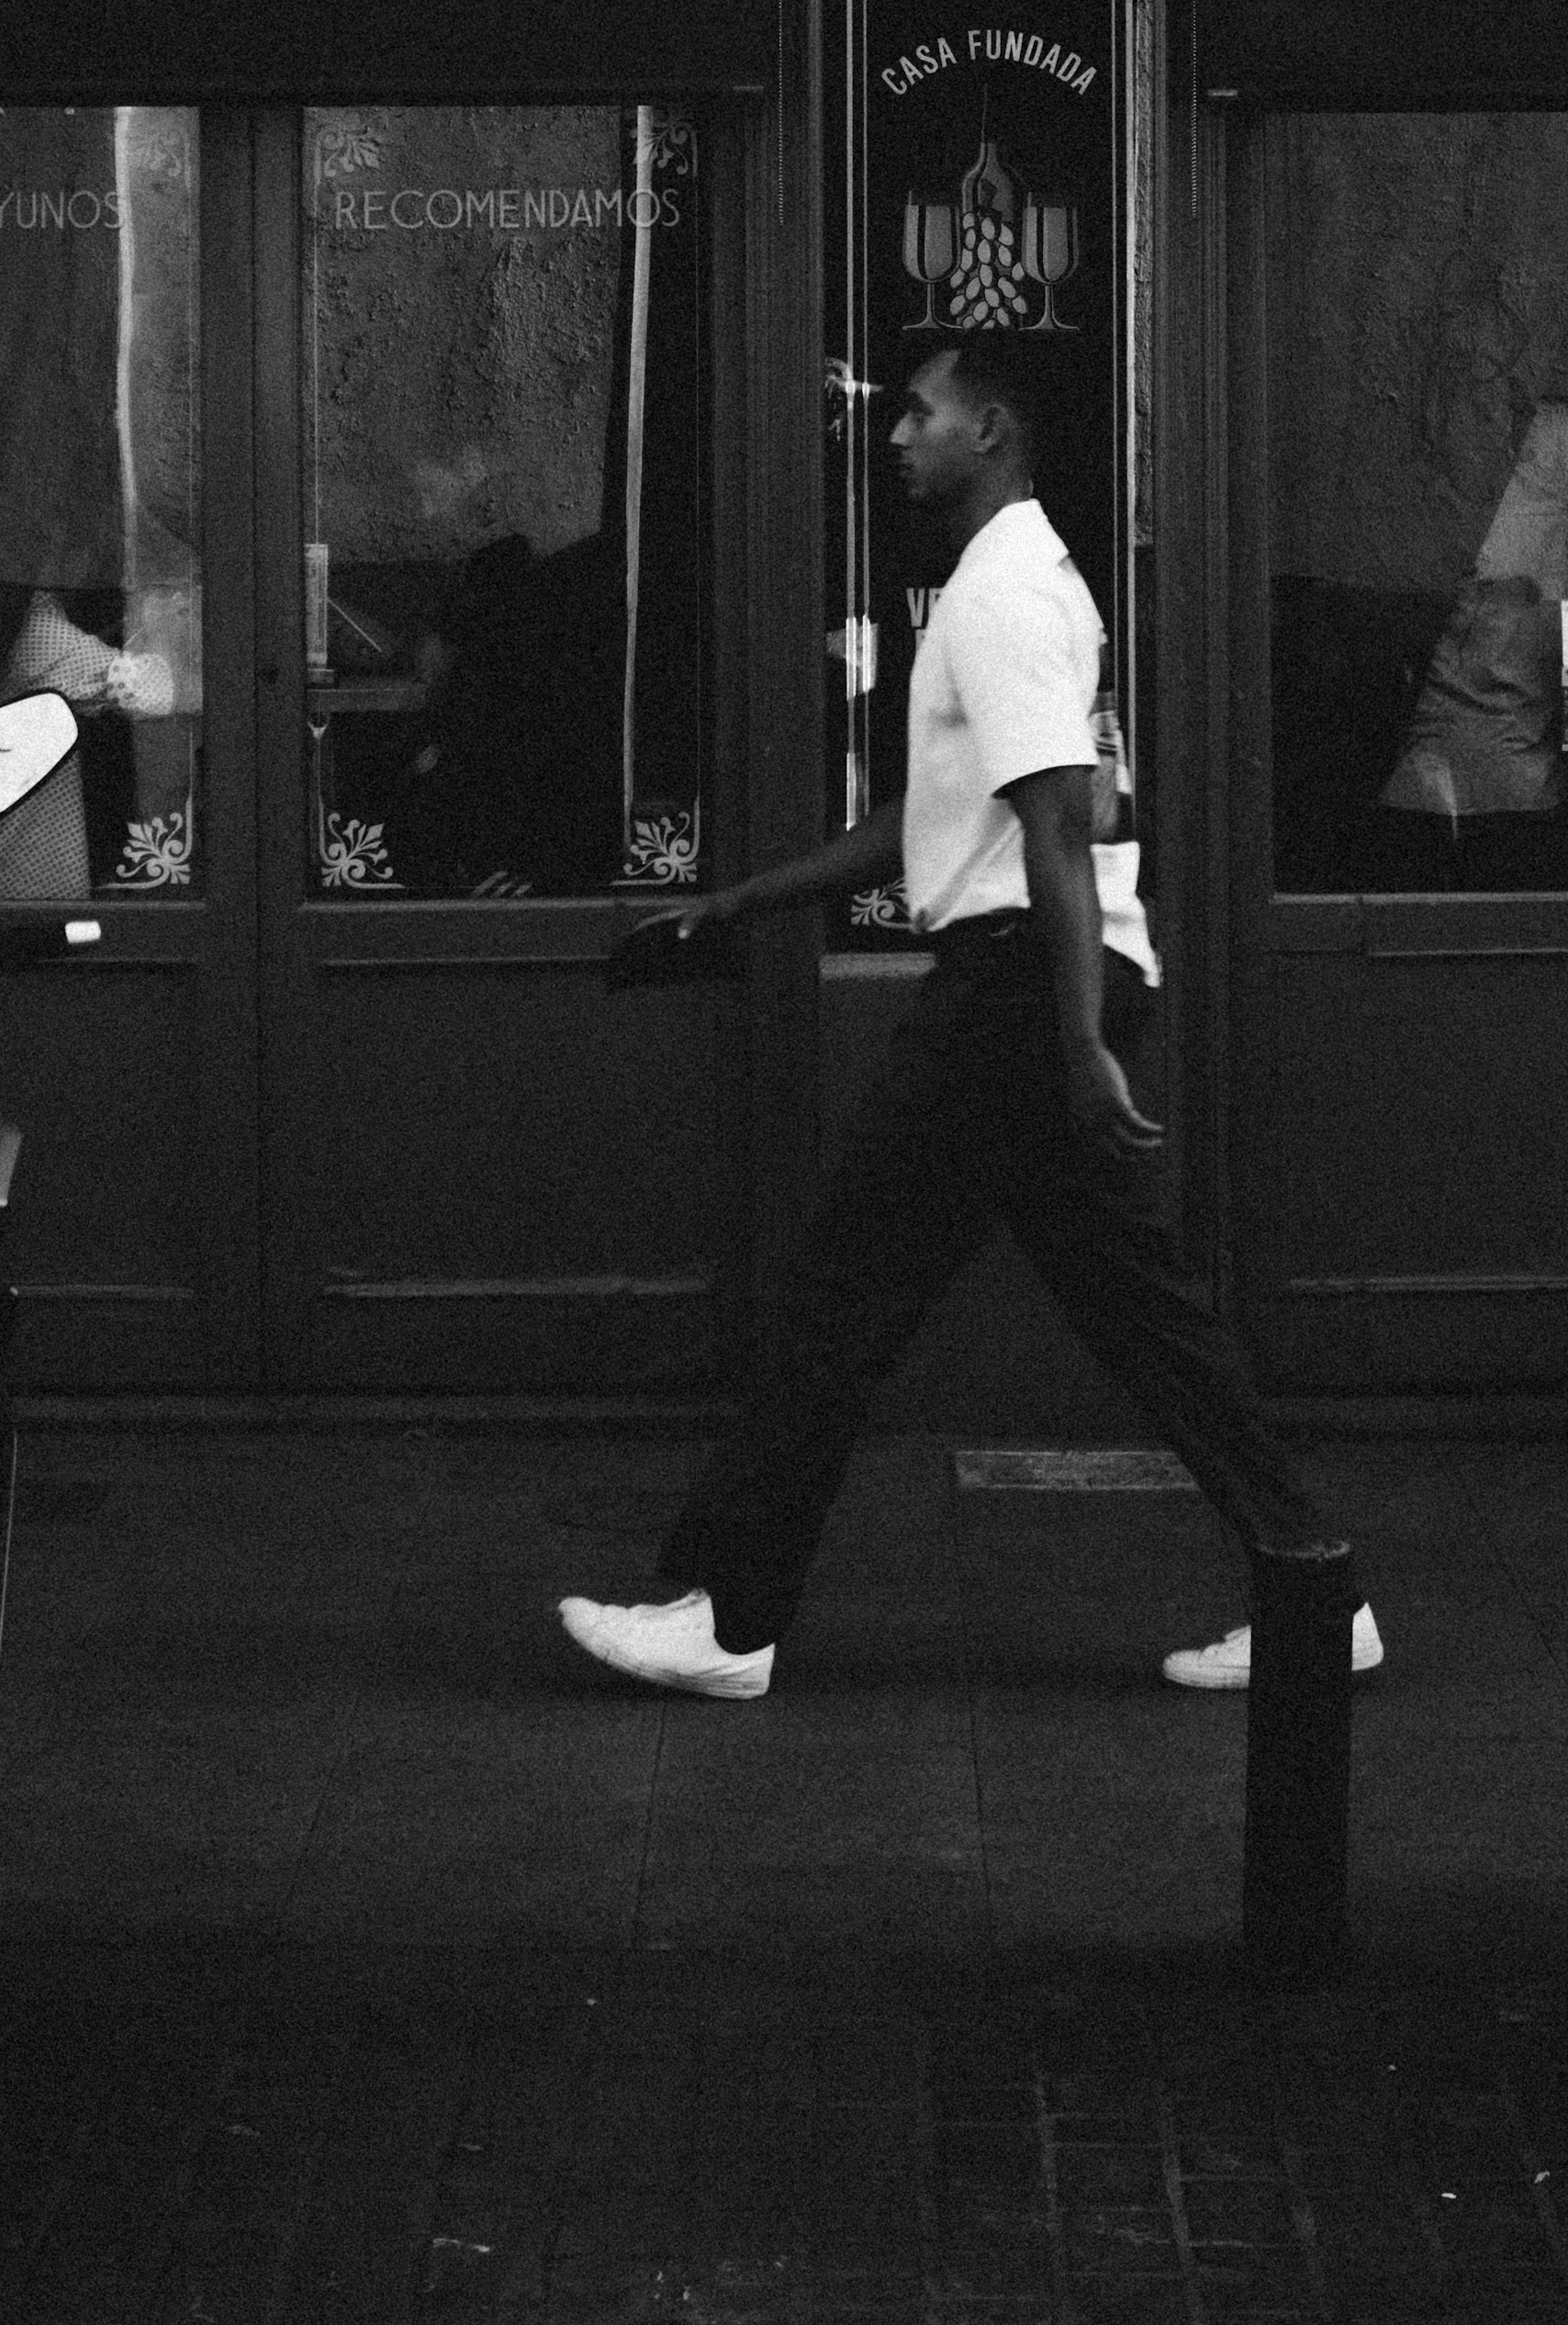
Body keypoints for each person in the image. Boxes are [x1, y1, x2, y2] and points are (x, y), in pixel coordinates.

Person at [557, 331, 1382, 1703]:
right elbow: (939, 818)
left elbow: (1060, 828)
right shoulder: (1012, 586)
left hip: (1016, 990)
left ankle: (729, 1618)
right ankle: (1313, 1587)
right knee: (1139, 1317)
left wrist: (1074, 1049)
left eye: (918, 415)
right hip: (1037, 986)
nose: (892, 436)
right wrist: (745, 901)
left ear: (989, 429)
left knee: (839, 1295)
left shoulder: (1000, 596)